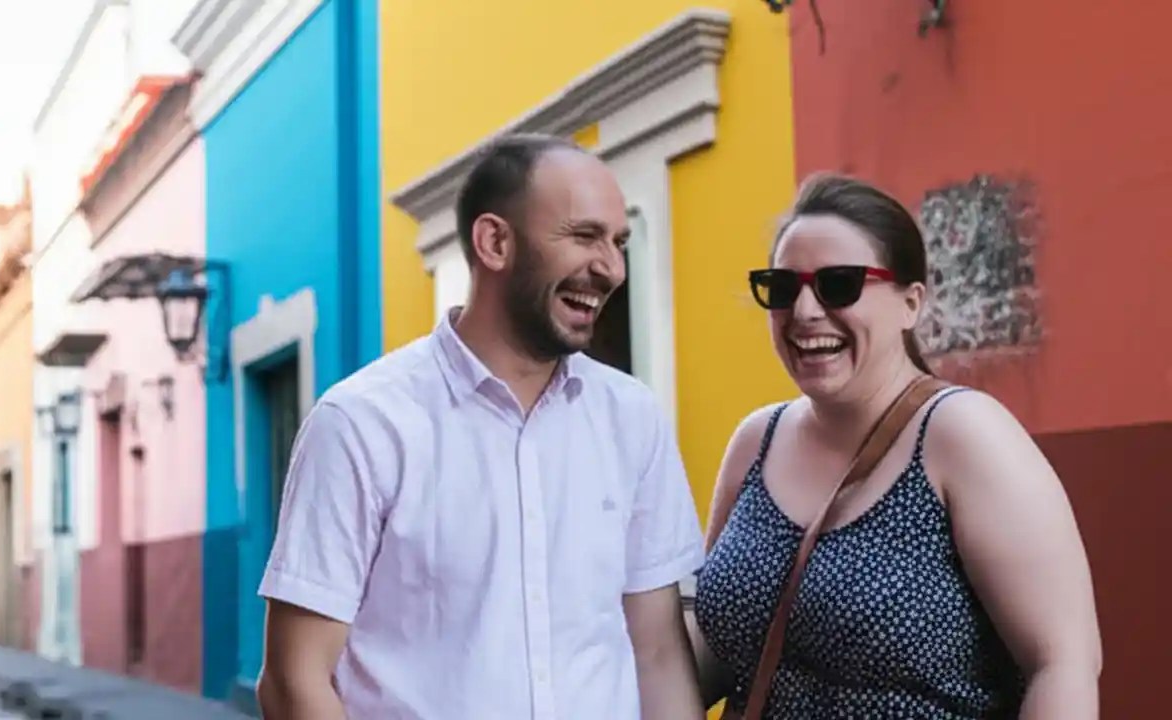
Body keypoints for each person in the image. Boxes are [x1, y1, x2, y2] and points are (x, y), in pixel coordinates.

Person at [255, 133, 706, 719]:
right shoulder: (362, 424)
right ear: (495, 242)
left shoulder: (632, 418)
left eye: (618, 242)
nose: (612, 269)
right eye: (584, 236)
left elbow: (659, 656)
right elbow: (295, 680)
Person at [691, 173, 1102, 719]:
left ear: (911, 304)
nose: (806, 311)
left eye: (839, 284)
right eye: (784, 287)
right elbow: (719, 650)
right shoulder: (756, 442)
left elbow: (1064, 664)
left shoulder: (963, 435)